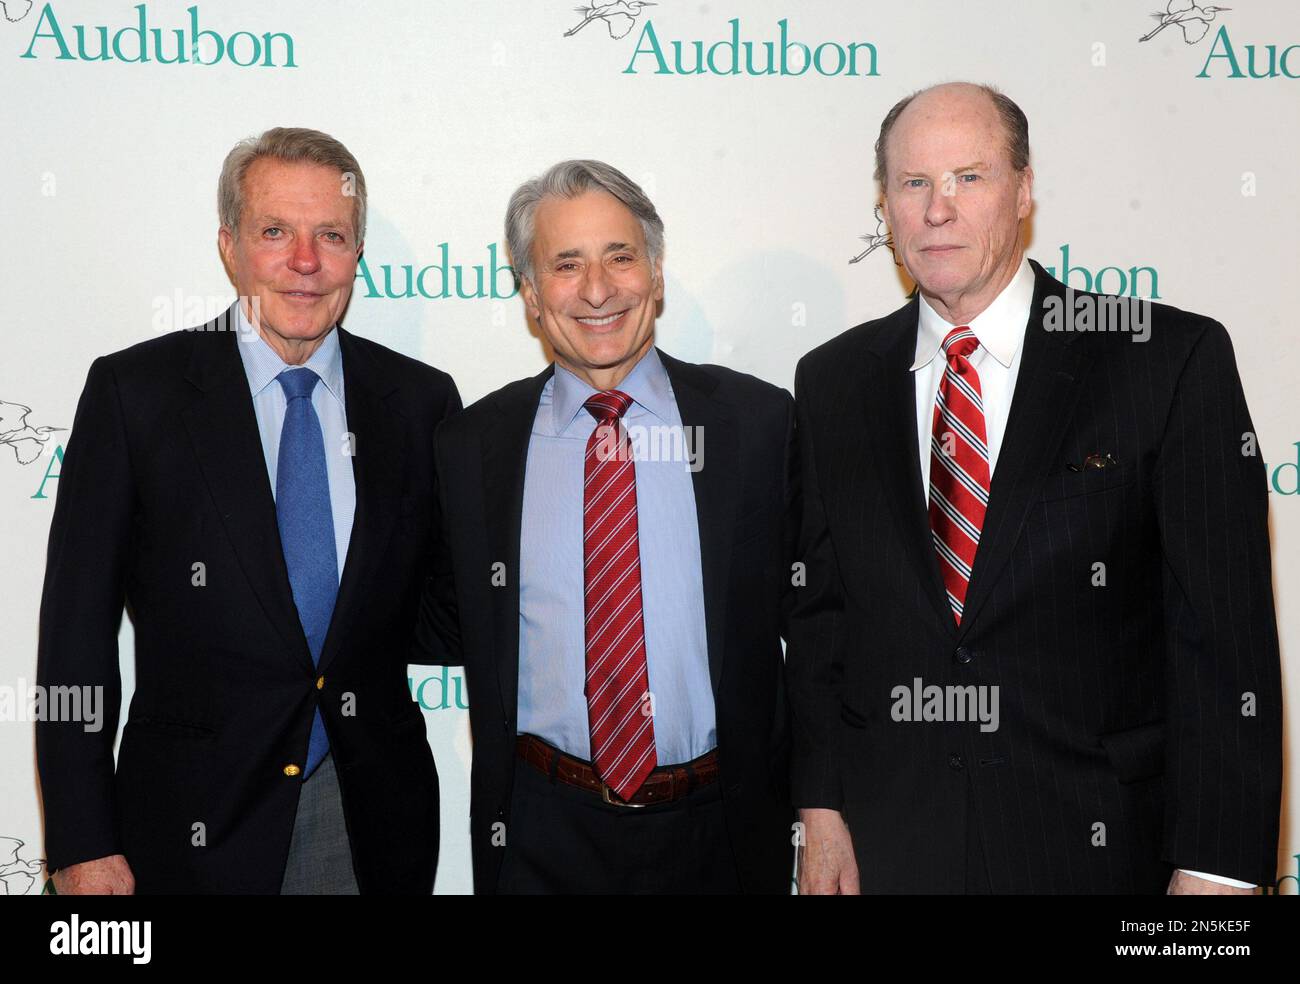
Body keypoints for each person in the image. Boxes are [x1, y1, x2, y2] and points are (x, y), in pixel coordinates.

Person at [788, 83, 1282, 894]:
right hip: (895, 846)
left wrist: (1217, 876)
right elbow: (820, 623)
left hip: (1106, 848)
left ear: (1023, 191)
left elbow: (1222, 643)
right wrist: (822, 811)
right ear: (886, 207)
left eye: (968, 178)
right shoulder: (834, 382)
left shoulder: (1162, 359)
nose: (937, 209)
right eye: (914, 184)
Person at [37, 127, 460, 894]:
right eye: (276, 232)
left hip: (368, 823)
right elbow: (75, 636)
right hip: (185, 824)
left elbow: (433, 611)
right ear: (230, 247)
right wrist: (79, 841)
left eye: (330, 235)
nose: (306, 261)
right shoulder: (138, 395)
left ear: (357, 252)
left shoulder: (421, 403)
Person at [419, 159, 795, 893]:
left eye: (620, 256)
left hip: (721, 832)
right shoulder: (471, 447)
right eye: (566, 264)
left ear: (655, 273)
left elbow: (821, 629)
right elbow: (429, 615)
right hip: (539, 834)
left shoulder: (758, 424)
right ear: (531, 295)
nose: (597, 289)